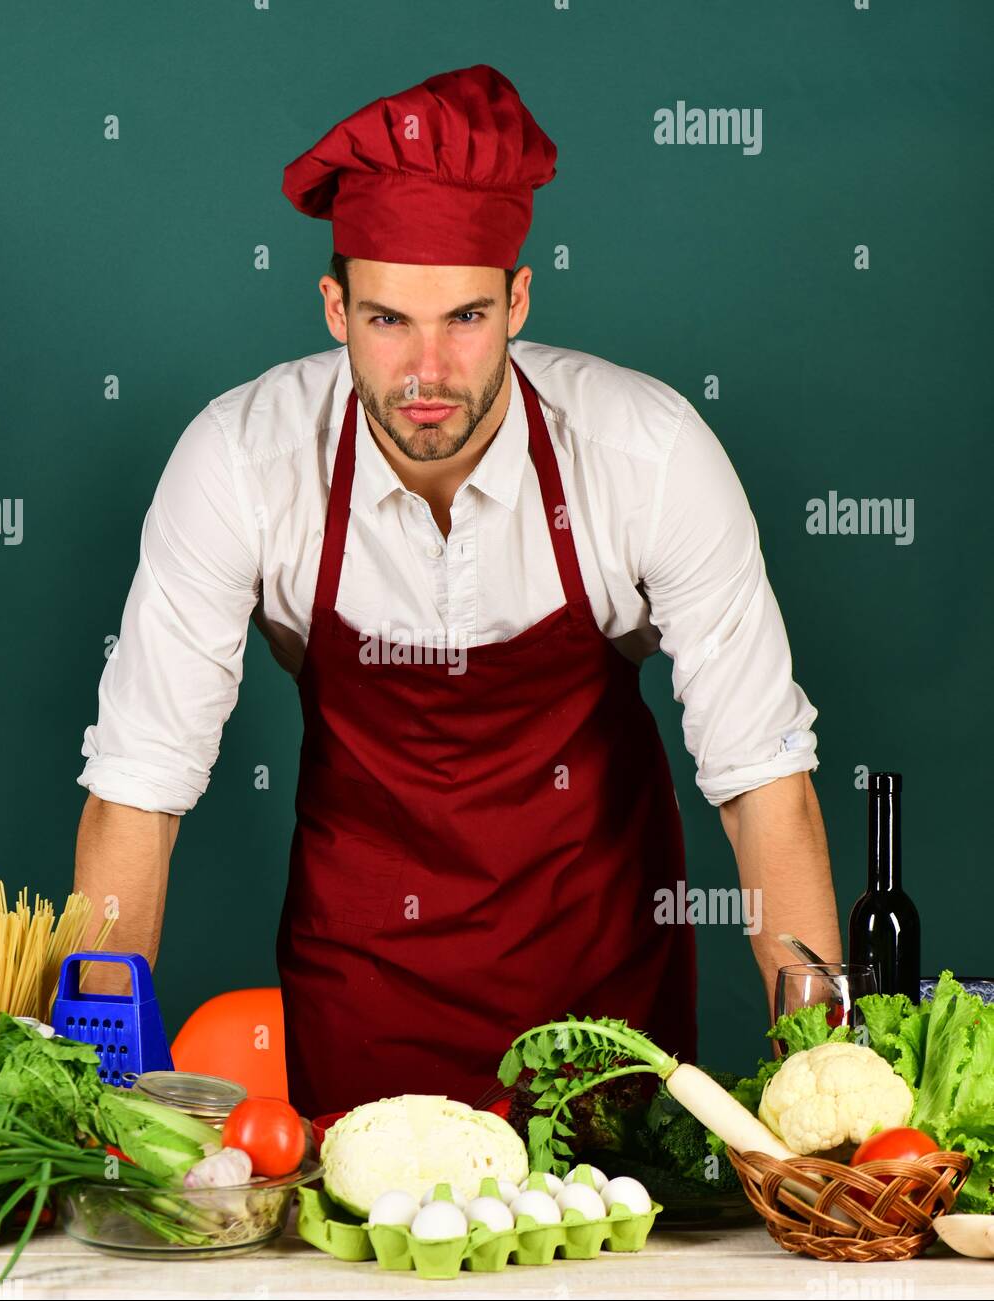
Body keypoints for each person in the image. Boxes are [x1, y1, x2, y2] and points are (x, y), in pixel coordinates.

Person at [74, 64, 841, 1117]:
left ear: (519, 297)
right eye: (387, 320)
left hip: (606, 1012)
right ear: (334, 307)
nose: (427, 370)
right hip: (359, 1000)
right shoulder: (241, 460)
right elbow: (139, 790)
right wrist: (87, 1087)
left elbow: (763, 783)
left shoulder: (646, 450)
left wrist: (826, 1078)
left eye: (466, 317)